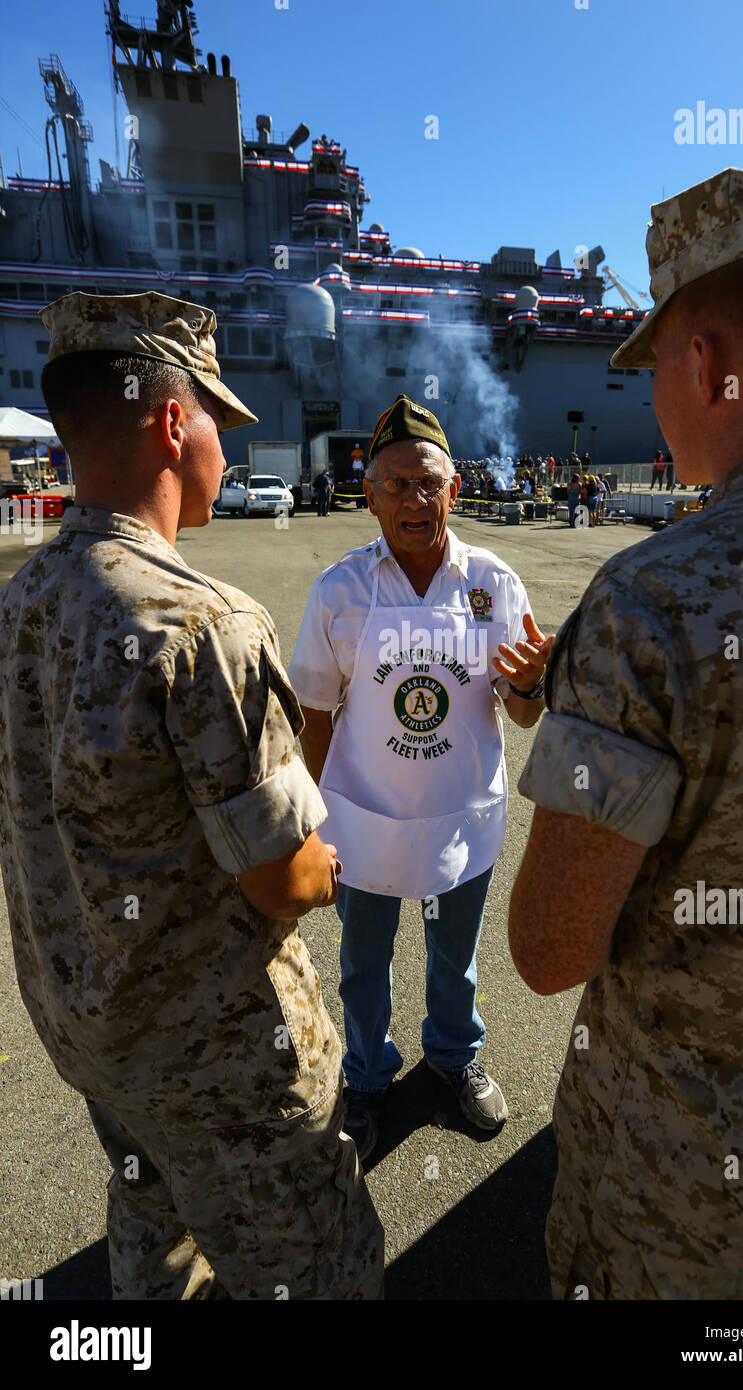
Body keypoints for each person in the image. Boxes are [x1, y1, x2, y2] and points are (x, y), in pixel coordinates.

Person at [509, 147, 743, 1300]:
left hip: (685, 1221)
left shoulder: (655, 596)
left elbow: (549, 950)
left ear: (702, 363)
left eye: (654, 358)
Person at [0, 290, 383, 1300]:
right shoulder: (199, 621)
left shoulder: (21, 602)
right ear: (174, 422)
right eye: (218, 415)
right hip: (223, 1060)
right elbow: (281, 877)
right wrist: (326, 862)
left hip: (87, 1025)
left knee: (152, 1221)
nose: (227, 443)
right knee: (320, 1261)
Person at [288, 395, 552, 1161]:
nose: (414, 500)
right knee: (363, 965)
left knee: (454, 960)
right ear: (367, 493)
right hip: (362, 822)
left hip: (461, 821)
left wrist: (532, 684)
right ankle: (368, 1077)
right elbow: (315, 715)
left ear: (455, 491)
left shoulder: (492, 584)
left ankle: (452, 1058)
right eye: (396, 485)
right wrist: (319, 819)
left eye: (428, 483)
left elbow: (523, 715)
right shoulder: (341, 590)